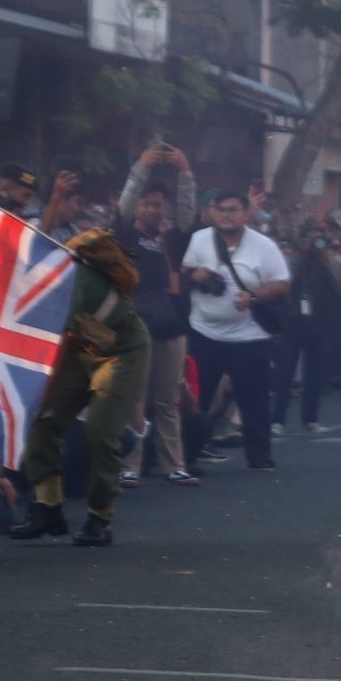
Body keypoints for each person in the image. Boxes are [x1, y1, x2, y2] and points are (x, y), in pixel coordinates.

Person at [9, 228, 152, 546]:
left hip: (121, 351)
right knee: (42, 419)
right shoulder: (35, 281)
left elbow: (52, 346)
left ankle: (100, 516)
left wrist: (39, 388)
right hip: (81, 347)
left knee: (100, 433)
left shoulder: (68, 281)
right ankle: (47, 507)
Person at [181, 190, 292, 473]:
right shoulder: (200, 239)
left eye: (233, 210)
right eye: (221, 209)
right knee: (196, 399)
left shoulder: (264, 246)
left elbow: (282, 283)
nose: (227, 215)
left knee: (254, 400)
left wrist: (253, 297)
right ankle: (185, 458)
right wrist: (196, 276)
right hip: (204, 332)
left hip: (249, 336)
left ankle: (260, 457)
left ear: (245, 213)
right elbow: (185, 271)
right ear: (212, 212)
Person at [114, 175, 194, 486]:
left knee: (167, 398)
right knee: (137, 396)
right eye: (146, 204)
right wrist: (142, 167)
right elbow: (123, 205)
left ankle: (173, 465)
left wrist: (184, 172)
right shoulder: (124, 235)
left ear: (165, 209)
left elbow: (188, 212)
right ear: (137, 206)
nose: (152, 209)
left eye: (158, 205)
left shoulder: (170, 239)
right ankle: (129, 465)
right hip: (136, 323)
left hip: (170, 325)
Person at [284, 232, 341, 435]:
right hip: (295, 323)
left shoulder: (329, 267)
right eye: (312, 240)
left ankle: (310, 419)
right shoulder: (294, 265)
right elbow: (287, 291)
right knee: (285, 373)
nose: (316, 246)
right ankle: (277, 419)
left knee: (313, 374)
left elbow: (338, 293)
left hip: (319, 326)